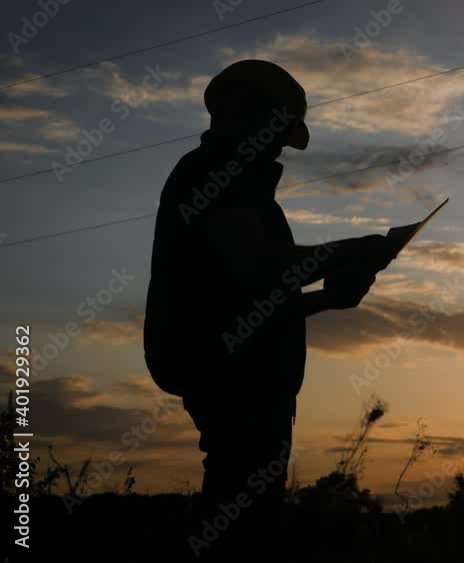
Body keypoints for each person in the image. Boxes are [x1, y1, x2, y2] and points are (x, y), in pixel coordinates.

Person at [143, 59, 395, 562]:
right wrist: (350, 251)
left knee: (247, 519)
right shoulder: (214, 176)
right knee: (240, 528)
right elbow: (259, 269)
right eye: (279, 131)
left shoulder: (240, 189)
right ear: (244, 115)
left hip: (248, 381)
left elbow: (252, 301)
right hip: (234, 384)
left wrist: (327, 297)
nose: (282, 146)